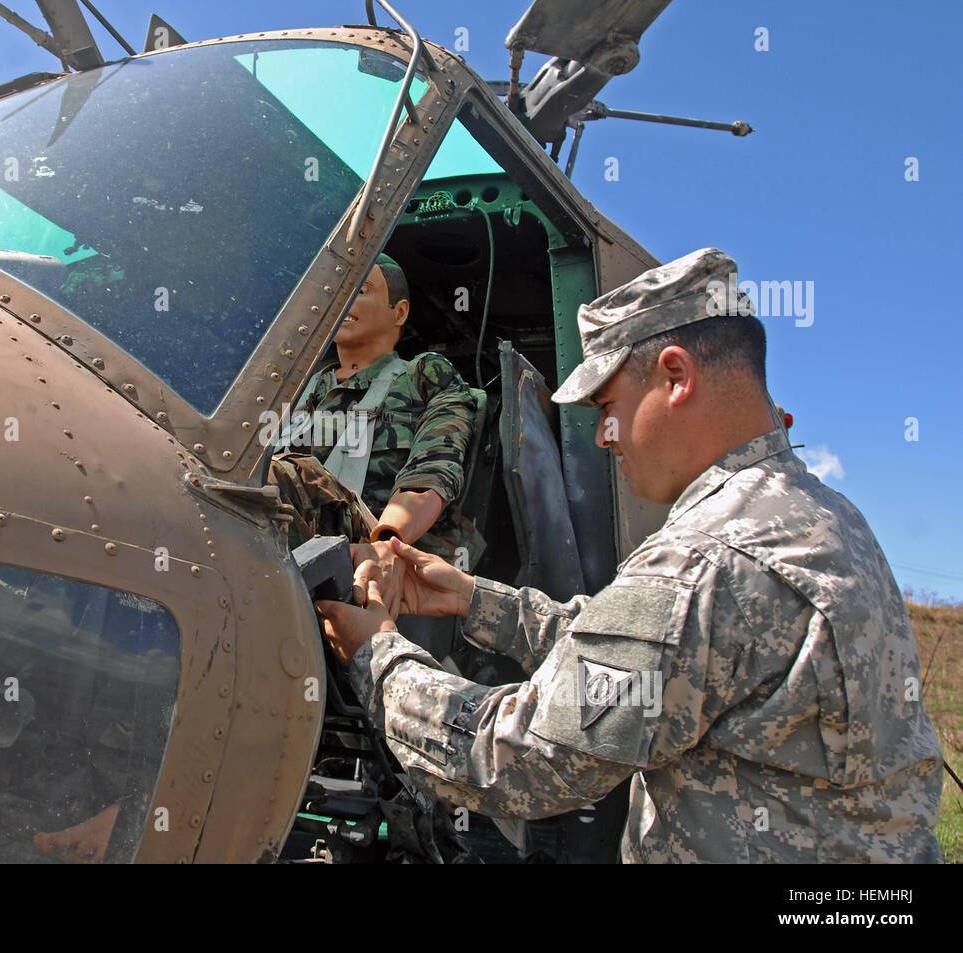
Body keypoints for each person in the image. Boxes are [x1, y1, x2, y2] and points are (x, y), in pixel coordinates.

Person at [319, 248, 944, 862]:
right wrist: (474, 599)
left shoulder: (707, 556)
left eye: (608, 408)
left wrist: (377, 656)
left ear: (675, 377)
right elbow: (660, 655)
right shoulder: (814, 513)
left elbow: (517, 759)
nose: (601, 437)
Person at [267, 254, 480, 561]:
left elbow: (432, 469)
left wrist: (386, 544)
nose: (344, 299)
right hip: (278, 521)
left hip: (362, 535)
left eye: (361, 290)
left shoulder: (422, 376)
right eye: (338, 290)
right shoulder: (302, 383)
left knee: (269, 482)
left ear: (400, 312)